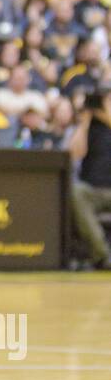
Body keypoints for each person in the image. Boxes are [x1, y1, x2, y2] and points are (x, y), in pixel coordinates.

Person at [68, 90, 111, 269]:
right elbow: (74, 153)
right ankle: (103, 256)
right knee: (76, 191)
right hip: (93, 190)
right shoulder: (89, 127)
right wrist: (85, 122)